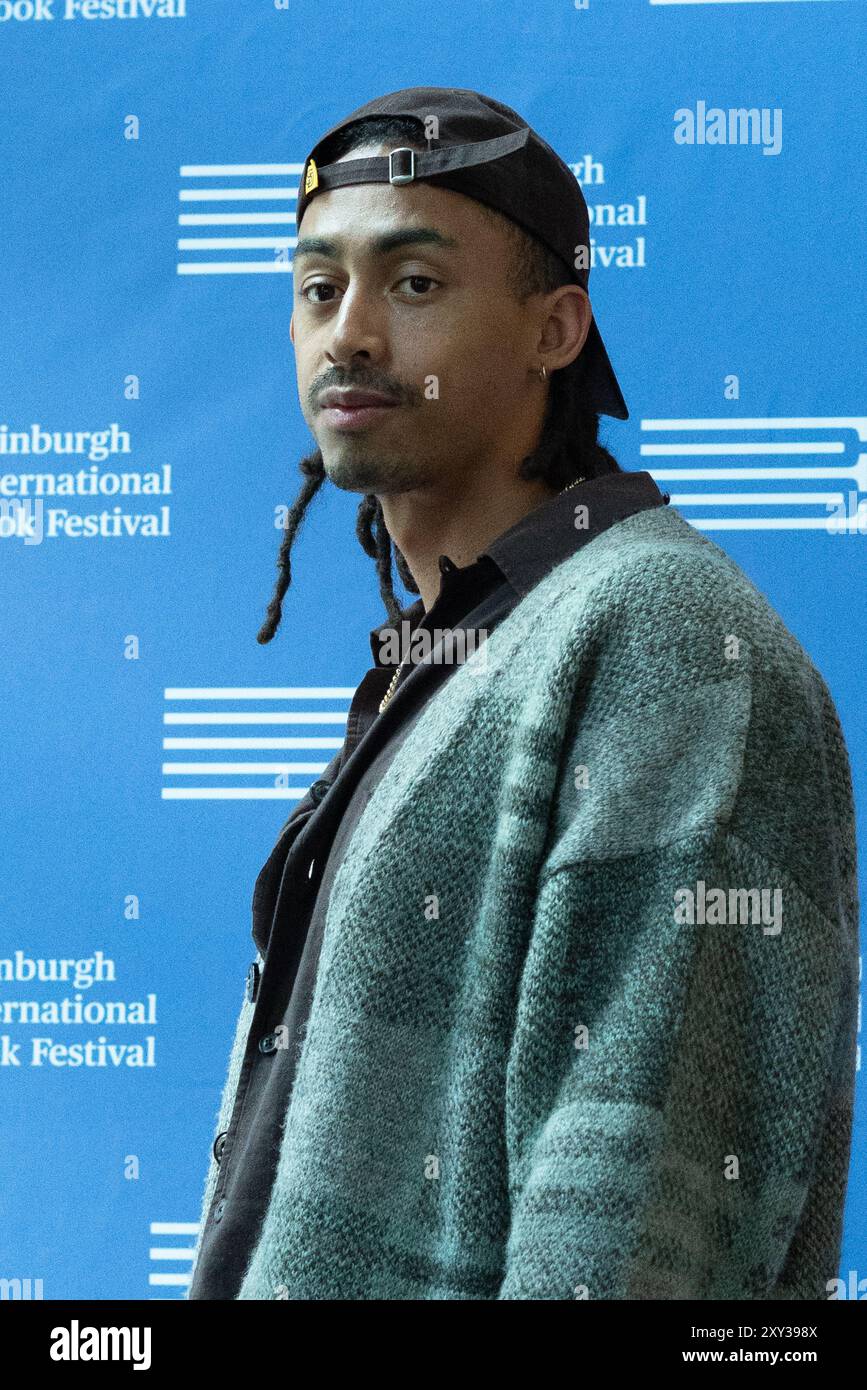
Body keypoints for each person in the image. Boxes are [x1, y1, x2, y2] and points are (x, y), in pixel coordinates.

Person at [186, 88, 859, 1301]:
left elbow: (639, 1236)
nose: (348, 335)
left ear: (556, 330)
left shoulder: (662, 632)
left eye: (415, 284)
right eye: (317, 287)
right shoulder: (458, 653)